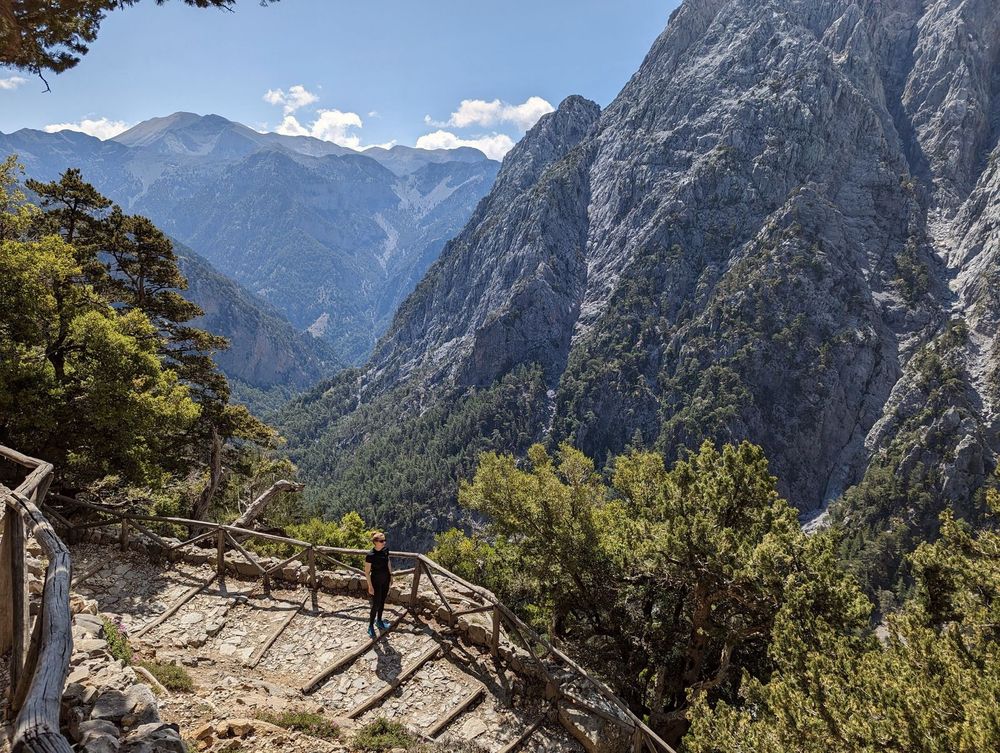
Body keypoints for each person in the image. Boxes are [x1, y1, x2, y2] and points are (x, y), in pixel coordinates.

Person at [364, 530, 392, 638]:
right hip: (376, 581)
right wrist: (370, 586)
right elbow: (367, 572)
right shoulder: (370, 555)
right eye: (382, 541)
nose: (384, 542)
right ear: (375, 542)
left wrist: (391, 575)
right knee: (375, 604)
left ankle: (379, 621)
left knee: (382, 601)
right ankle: (370, 625)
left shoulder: (385, 550)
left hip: (385, 579)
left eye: (385, 540)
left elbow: (388, 561)